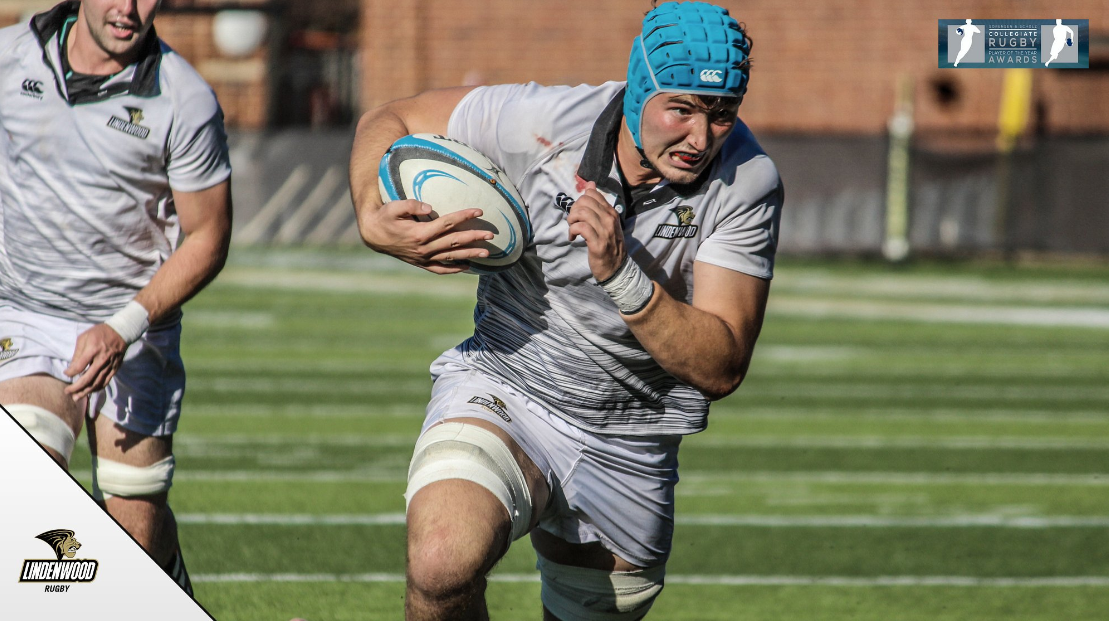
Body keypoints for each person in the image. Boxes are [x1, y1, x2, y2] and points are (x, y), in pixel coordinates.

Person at [349, 2, 782, 619]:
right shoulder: (541, 122)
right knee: (442, 563)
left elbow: (722, 365)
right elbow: (389, 117)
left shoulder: (747, 180)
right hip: (509, 384)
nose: (700, 138)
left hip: (632, 435)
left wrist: (622, 277)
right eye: (681, 109)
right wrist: (371, 214)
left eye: (722, 114)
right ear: (640, 89)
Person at [0, 0, 232, 596]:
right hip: (26, 312)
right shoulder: (10, 57)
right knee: (26, 476)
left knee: (137, 530)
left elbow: (208, 236)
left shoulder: (184, 98)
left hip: (135, 326)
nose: (128, 9)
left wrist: (123, 326)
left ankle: (165, 575)